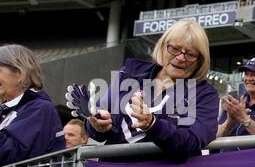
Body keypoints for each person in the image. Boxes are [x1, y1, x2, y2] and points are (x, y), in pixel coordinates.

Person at [87, 21, 220, 158]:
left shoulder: (205, 95)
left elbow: (193, 141)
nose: (180, 58)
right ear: (163, 47)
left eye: (190, 54)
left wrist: (153, 125)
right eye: (174, 49)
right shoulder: (131, 71)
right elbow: (99, 121)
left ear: (200, 61)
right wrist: (98, 126)